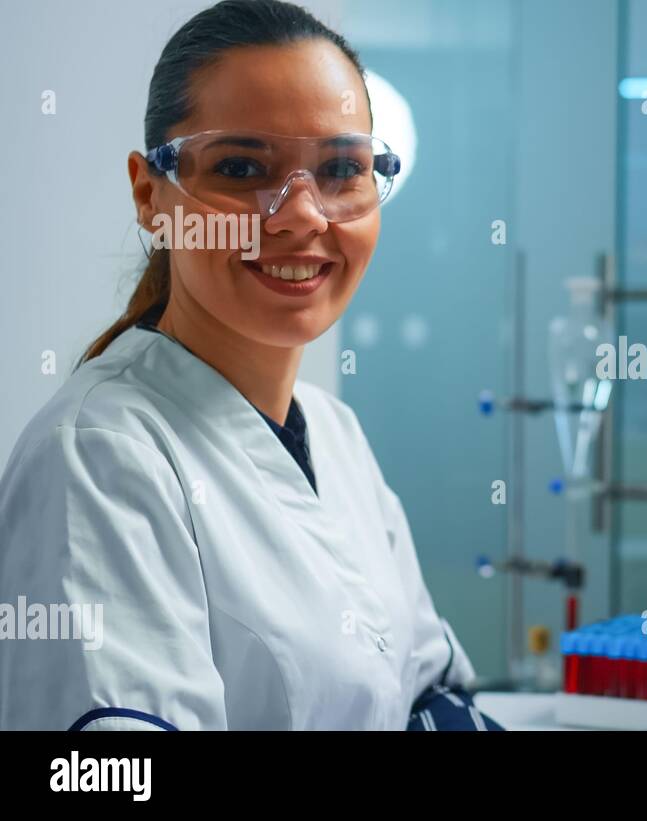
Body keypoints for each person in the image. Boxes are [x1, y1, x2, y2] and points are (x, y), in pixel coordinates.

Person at [0, 0, 500, 731]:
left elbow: (425, 690)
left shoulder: (334, 433)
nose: (301, 216)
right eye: (242, 166)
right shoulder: (99, 458)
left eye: (340, 169)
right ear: (151, 194)